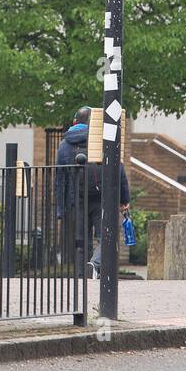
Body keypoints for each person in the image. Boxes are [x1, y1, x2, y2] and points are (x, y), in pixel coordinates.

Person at [55, 106, 130, 278]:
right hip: (102, 198)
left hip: (77, 199)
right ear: (94, 123)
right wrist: (124, 198)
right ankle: (95, 265)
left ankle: (83, 276)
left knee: (82, 241)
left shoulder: (64, 146)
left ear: (75, 122)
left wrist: (61, 209)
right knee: (107, 236)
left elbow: (60, 179)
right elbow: (119, 170)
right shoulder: (103, 141)